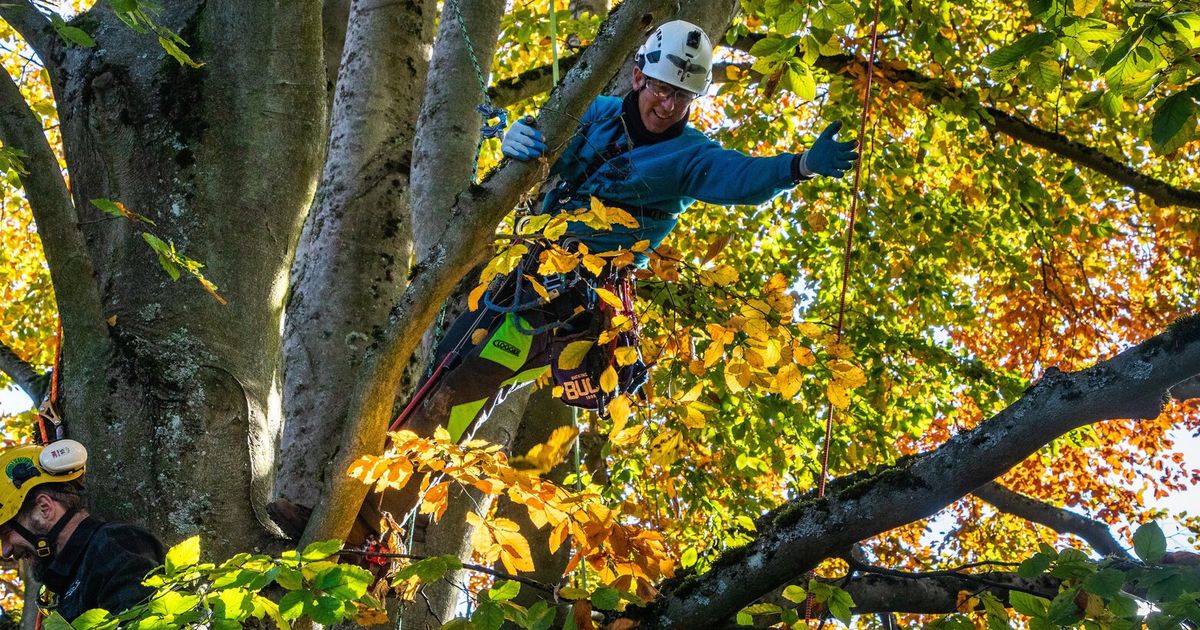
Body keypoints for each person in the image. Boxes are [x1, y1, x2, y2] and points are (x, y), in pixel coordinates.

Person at [267, 19, 859, 546]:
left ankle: (358, 537)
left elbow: (740, 177)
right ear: (637, 77)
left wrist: (798, 166)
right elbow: (545, 143)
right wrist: (521, 137)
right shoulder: (594, 113)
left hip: (571, 308)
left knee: (444, 404)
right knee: (435, 395)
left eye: (683, 95)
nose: (669, 104)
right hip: (522, 282)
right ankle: (355, 522)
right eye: (662, 88)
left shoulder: (687, 157)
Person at [0, 440, 165, 621]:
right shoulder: (68, 579)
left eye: (7, 533)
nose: (6, 550)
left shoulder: (113, 545)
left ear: (44, 508)